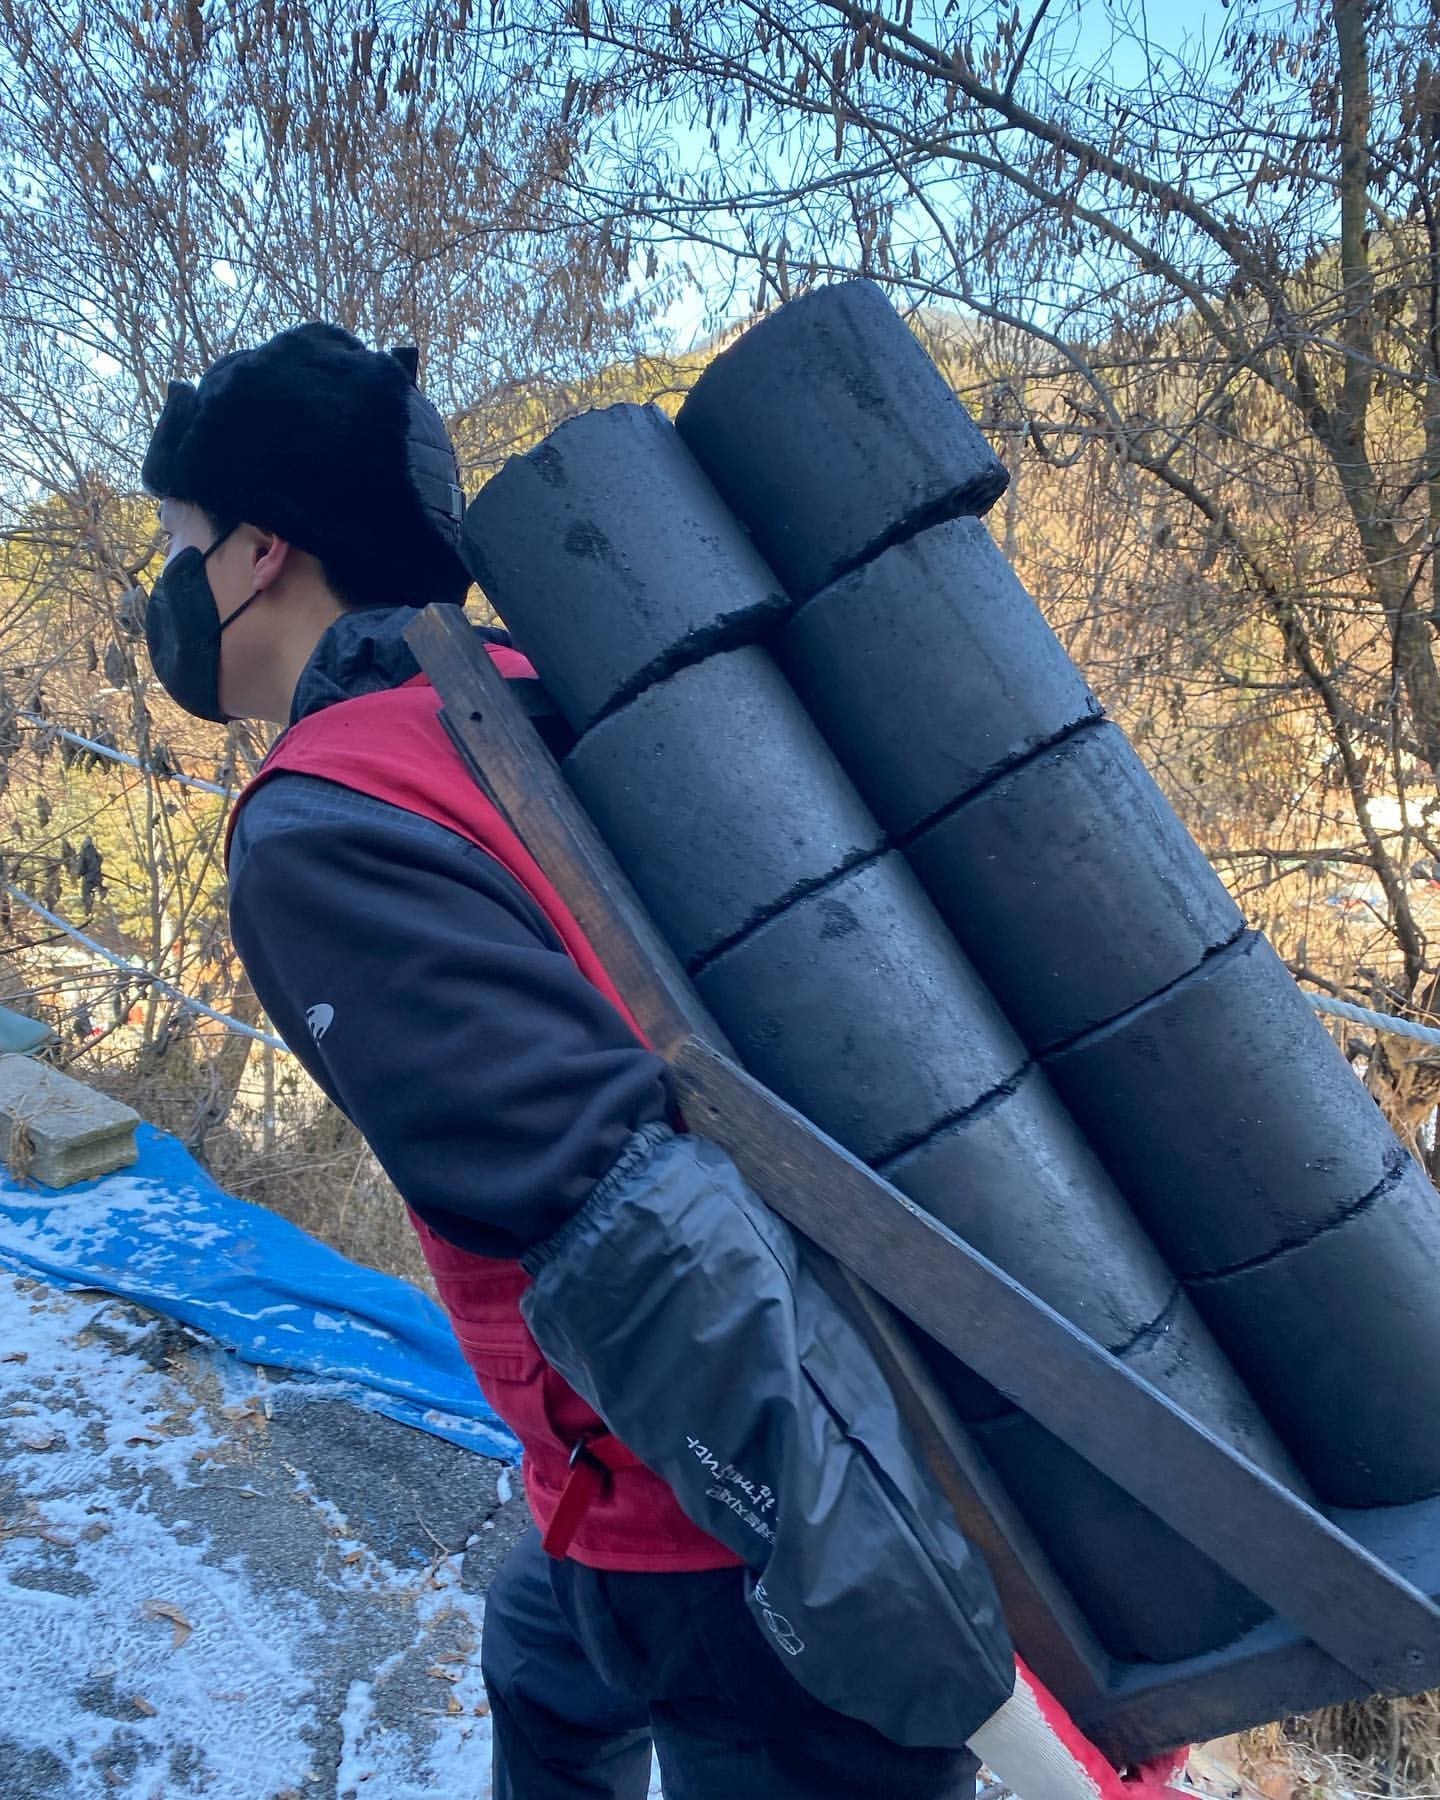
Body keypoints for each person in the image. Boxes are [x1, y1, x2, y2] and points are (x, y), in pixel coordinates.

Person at [139, 323, 1010, 1798]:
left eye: (179, 542)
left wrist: (868, 1584)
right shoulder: (535, 683)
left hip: (710, 1516)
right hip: (701, 1436)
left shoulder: (325, 824)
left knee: (695, 1684)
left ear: (262, 551)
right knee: (539, 1656)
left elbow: (627, 1233)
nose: (167, 587)